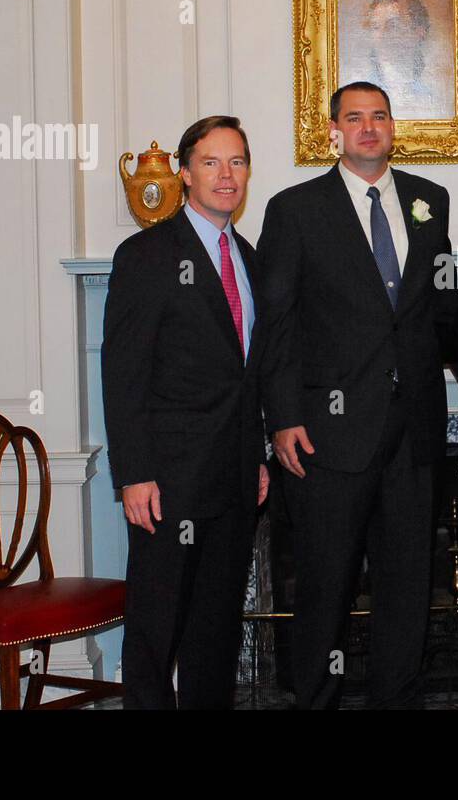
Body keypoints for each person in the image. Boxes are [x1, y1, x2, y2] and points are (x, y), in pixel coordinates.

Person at [257, 81, 458, 709]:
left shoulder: (432, 201)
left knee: (407, 584)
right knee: (325, 584)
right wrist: (283, 418)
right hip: (328, 432)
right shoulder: (294, 209)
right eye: (355, 118)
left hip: (415, 430)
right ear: (334, 132)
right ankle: (316, 698)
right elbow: (278, 324)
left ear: (394, 127)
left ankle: (397, 698)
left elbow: (441, 310)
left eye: (379, 117)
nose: (368, 128)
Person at [102, 115, 270, 709]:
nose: (227, 176)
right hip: (166, 482)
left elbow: (249, 376)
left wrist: (258, 456)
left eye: (238, 162)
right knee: (155, 629)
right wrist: (134, 473)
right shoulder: (146, 254)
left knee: (216, 631)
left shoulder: (250, 258)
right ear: (183, 171)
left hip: (235, 478)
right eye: (211, 162)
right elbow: (124, 376)